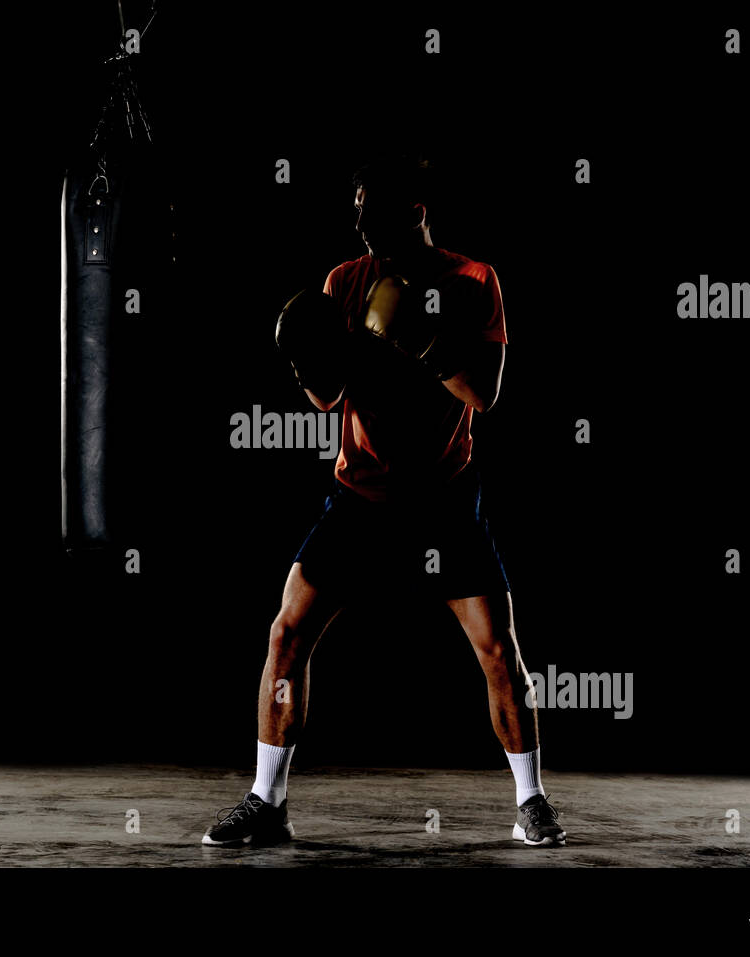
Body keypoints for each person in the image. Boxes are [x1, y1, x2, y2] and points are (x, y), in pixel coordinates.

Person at [202, 155, 565, 849]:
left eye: (378, 209)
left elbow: (483, 394)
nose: (364, 223)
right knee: (286, 635)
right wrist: (307, 358)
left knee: (497, 650)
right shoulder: (345, 280)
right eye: (358, 207)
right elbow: (328, 395)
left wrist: (421, 339)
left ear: (418, 208)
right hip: (360, 495)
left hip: (444, 499)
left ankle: (533, 801)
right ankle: (266, 799)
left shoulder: (473, 280)